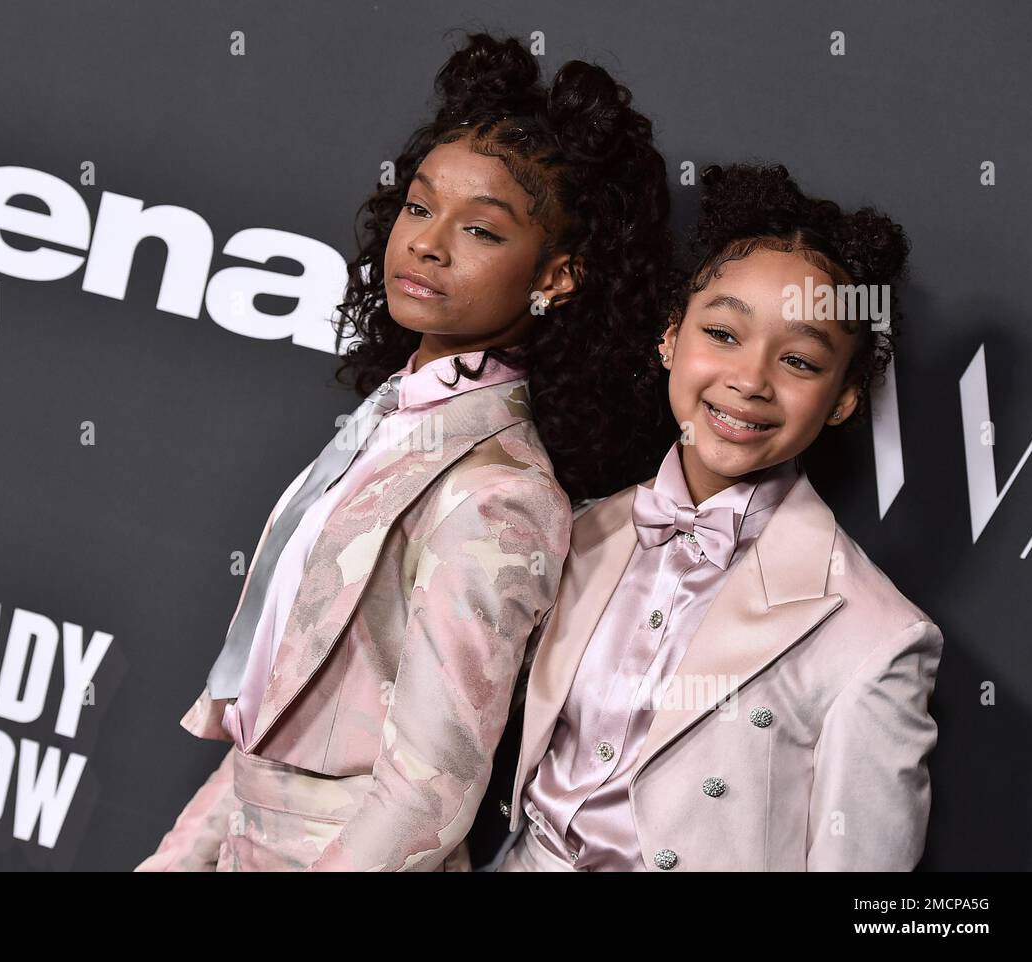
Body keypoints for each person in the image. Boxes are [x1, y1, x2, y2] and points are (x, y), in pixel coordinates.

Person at [133, 31, 672, 871]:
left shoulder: (501, 496)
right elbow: (268, 742)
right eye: (419, 208)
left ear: (557, 277)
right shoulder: (391, 418)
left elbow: (430, 791)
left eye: (483, 231)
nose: (426, 242)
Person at [489, 162, 942, 871]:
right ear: (671, 335)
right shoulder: (574, 532)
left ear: (846, 398)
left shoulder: (876, 636)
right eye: (724, 334)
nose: (750, 380)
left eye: (798, 359)